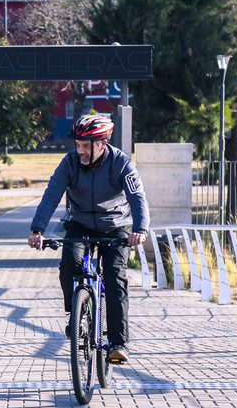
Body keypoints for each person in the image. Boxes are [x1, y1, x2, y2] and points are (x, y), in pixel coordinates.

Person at [28, 114, 149, 363]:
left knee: (116, 279)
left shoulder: (121, 163)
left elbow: (137, 198)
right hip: (80, 223)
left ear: (101, 144)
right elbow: (52, 194)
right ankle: (76, 314)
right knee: (69, 265)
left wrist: (140, 229)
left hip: (115, 226)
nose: (80, 150)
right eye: (78, 145)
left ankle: (118, 343)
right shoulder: (70, 163)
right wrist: (37, 229)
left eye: (86, 146)